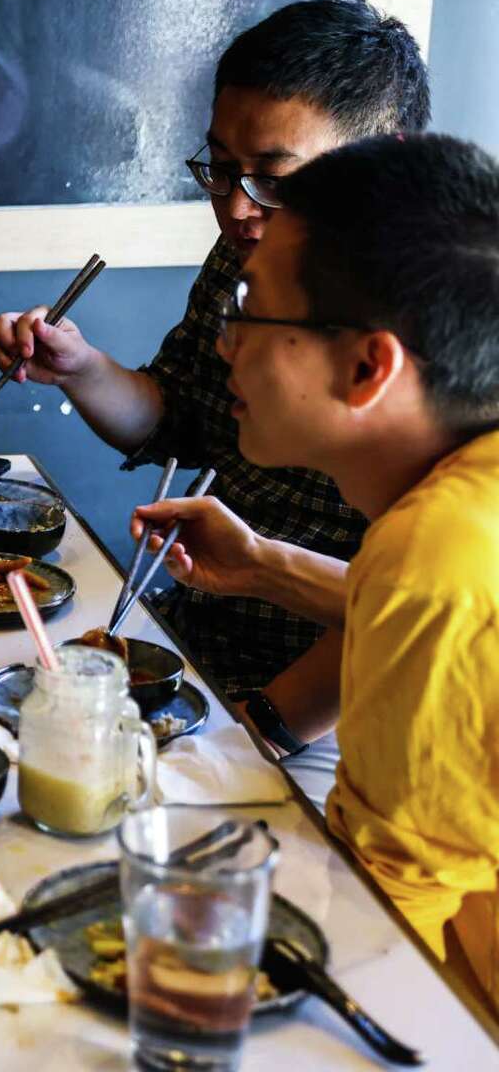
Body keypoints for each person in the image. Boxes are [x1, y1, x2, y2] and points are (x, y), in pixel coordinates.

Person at [145, 134, 499, 1006]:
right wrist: (266, 564)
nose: (224, 345)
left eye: (251, 313)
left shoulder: (437, 552)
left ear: (368, 366)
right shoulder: (461, 509)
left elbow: (390, 925)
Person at [0, 0, 430, 700]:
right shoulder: (245, 257)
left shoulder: (441, 328)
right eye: (221, 168)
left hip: (351, 698)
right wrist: (81, 368)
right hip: (201, 636)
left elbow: (431, 611)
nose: (236, 206)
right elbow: (185, 419)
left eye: (276, 180)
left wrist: (268, 724)